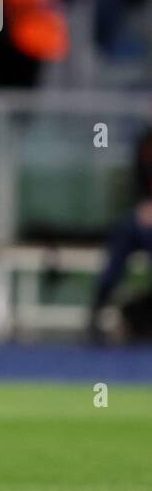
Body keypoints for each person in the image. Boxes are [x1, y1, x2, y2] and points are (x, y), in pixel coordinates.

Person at [89, 128, 152, 342]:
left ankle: (140, 318)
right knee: (122, 236)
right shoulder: (144, 143)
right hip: (143, 218)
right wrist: (144, 206)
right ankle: (98, 308)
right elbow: (138, 184)